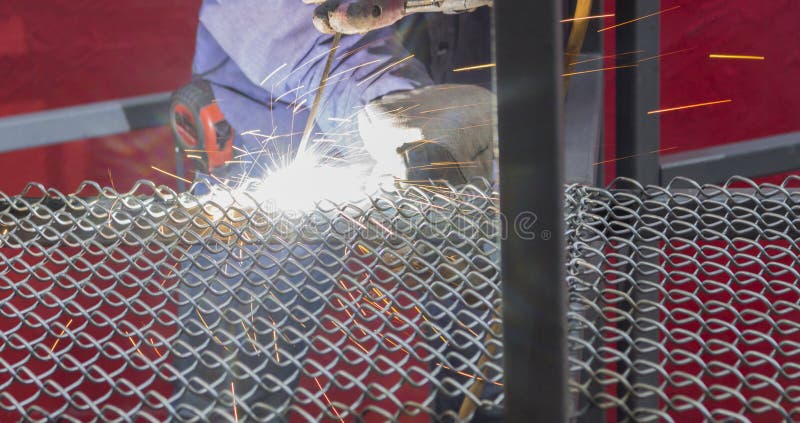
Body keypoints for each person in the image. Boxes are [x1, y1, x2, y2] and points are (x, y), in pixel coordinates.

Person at [170, 0, 500, 421]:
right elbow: (303, 32)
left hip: (460, 108)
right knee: (227, 389)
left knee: (493, 360)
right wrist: (390, 99)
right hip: (272, 110)